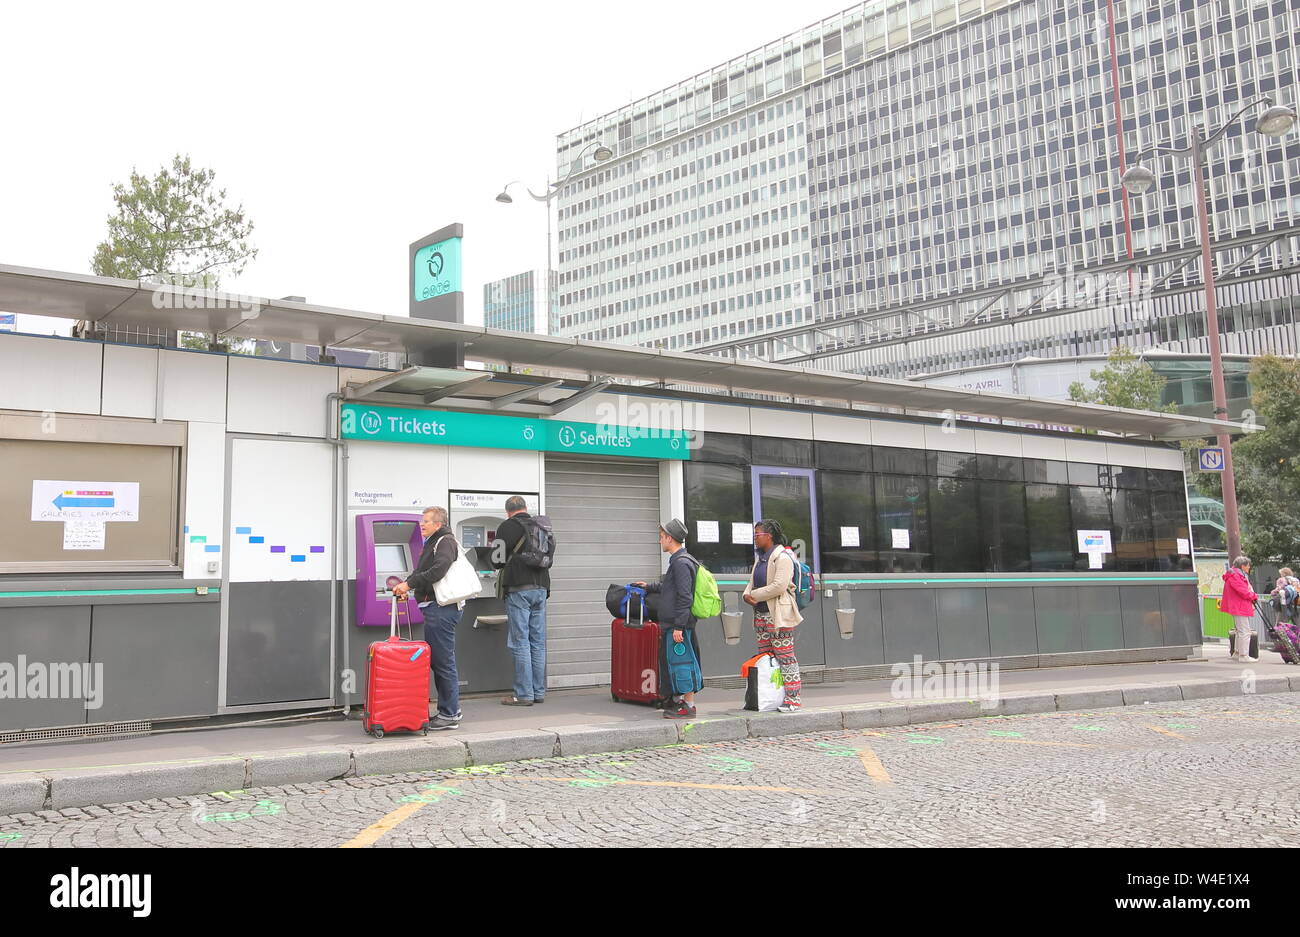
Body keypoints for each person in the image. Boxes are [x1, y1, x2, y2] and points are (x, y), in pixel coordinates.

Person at [393, 506, 463, 730]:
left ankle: (449, 714)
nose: (422, 524)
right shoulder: (434, 542)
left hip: (442, 609)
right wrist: (406, 585)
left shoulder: (445, 542)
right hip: (435, 607)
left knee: (443, 662)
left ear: (438, 524)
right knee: (440, 661)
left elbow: (438, 570)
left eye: (426, 521)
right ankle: (450, 710)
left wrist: (409, 584)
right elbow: (423, 570)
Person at [635, 518, 702, 719]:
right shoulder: (679, 561)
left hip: (678, 625)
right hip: (675, 624)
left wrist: (679, 626)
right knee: (678, 663)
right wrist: (649, 586)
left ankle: (688, 706)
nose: (660, 541)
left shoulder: (681, 563)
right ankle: (681, 702)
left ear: (670, 538)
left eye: (661, 537)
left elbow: (684, 596)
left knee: (683, 664)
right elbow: (671, 589)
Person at [494, 496, 551, 706]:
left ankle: (524, 694)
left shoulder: (506, 527)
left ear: (508, 511)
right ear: (525, 509)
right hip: (541, 588)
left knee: (520, 642)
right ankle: (538, 692)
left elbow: (497, 559)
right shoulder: (541, 525)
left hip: (519, 589)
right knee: (537, 642)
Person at [743, 519, 803, 712]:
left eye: (757, 534)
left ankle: (793, 699)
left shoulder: (782, 558)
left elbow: (779, 586)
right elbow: (753, 581)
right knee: (766, 657)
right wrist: (746, 593)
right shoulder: (760, 558)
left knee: (785, 656)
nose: (754, 538)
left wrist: (754, 595)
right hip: (761, 614)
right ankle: (772, 697)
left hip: (778, 614)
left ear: (768, 536)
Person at [1221, 555, 1259, 663]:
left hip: (1237, 605)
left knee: (1240, 630)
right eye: (1248, 566)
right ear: (1242, 566)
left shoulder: (1233, 574)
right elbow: (1243, 591)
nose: (1249, 568)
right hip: (1239, 605)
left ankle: (1237, 653)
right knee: (1245, 631)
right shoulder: (1236, 576)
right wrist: (1254, 596)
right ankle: (1243, 655)